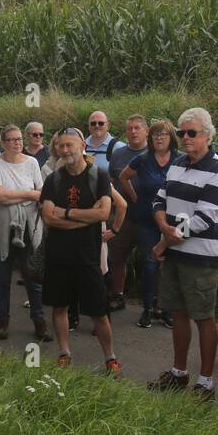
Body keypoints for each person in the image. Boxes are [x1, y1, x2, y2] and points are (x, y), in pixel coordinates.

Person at [149, 108, 218, 402]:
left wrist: (164, 242)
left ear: (207, 135)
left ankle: (206, 383)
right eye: (181, 133)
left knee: (203, 317)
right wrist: (162, 225)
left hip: (201, 258)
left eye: (191, 133)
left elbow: (204, 219)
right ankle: (179, 372)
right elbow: (160, 198)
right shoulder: (178, 164)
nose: (185, 138)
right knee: (179, 313)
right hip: (175, 255)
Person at [40, 128, 120, 371]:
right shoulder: (53, 179)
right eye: (61, 146)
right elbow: (48, 218)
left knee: (98, 311)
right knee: (60, 306)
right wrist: (86, 218)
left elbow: (104, 213)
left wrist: (65, 213)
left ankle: (110, 357)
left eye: (70, 145)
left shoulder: (99, 176)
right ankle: (64, 352)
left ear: (82, 146)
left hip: (88, 257)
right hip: (58, 256)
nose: (65, 151)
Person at [0, 124, 49, 342]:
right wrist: (29, 195)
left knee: (32, 276)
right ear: (3, 143)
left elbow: (41, 194)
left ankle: (39, 319)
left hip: (29, 230)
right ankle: (3, 319)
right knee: (2, 276)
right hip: (2, 229)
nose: (18, 143)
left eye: (20, 139)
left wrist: (26, 195)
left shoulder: (31, 162)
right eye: (12, 139)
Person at [120, 117, 175, 328]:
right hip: (146, 219)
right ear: (150, 138)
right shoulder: (143, 159)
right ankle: (148, 309)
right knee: (150, 264)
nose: (159, 138)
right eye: (155, 135)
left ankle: (167, 309)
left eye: (164, 134)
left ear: (171, 138)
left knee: (169, 265)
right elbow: (124, 178)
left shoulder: (180, 160)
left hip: (172, 221)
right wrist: (134, 198)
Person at [104, 115, 149, 312]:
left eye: (137, 128)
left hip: (149, 216)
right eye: (129, 128)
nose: (133, 132)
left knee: (151, 259)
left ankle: (153, 300)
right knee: (116, 257)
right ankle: (118, 294)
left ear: (146, 131)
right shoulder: (118, 154)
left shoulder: (155, 154)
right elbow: (112, 182)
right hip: (123, 214)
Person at [83, 110, 126, 174]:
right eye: (93, 123)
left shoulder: (119, 147)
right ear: (89, 126)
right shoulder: (81, 146)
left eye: (101, 123)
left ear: (108, 126)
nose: (97, 126)